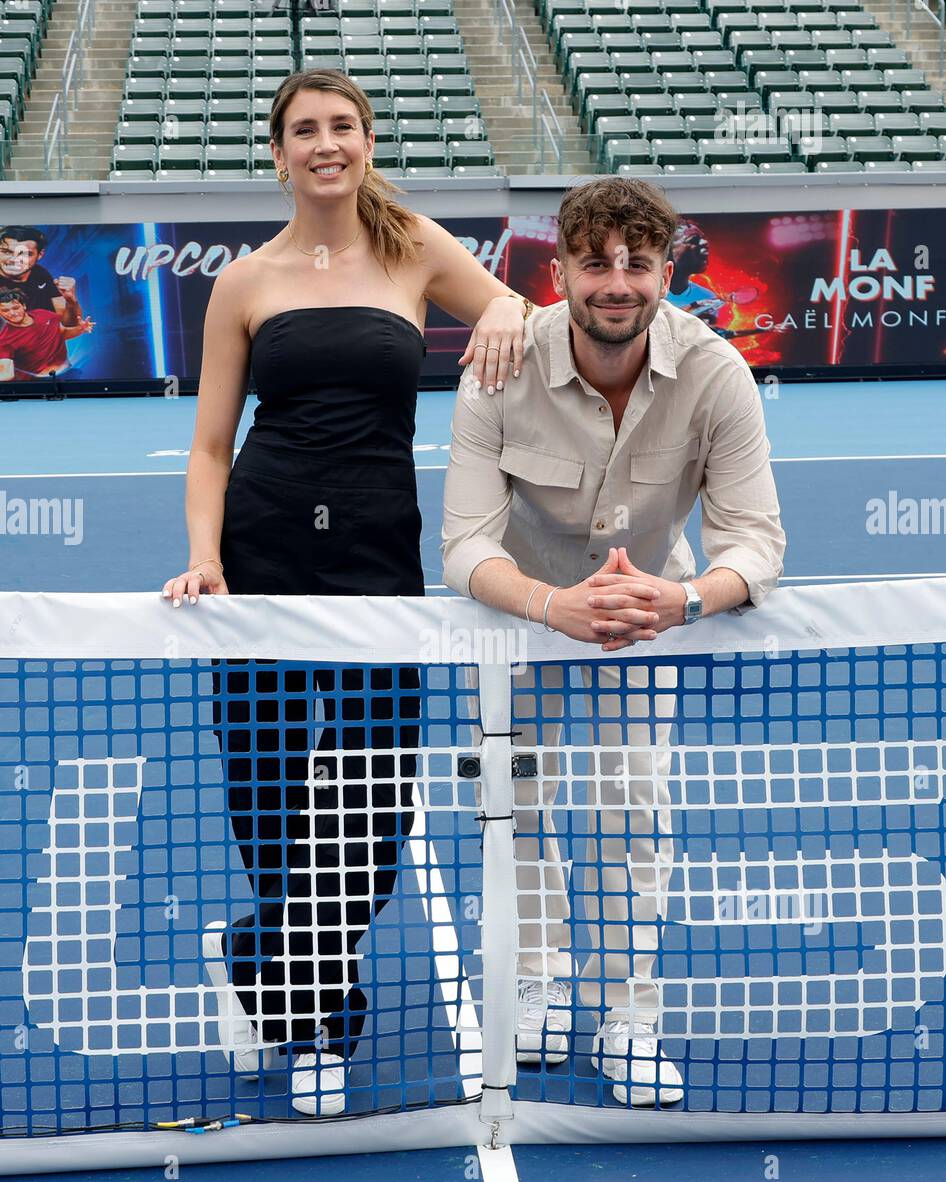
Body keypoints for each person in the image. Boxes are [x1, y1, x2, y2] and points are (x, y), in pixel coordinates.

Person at [161, 67, 534, 1116]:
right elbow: (207, 446)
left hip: (378, 559)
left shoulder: (413, 246)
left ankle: (255, 960)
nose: (325, 143)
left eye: (343, 126)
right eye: (304, 131)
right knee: (269, 798)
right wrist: (208, 558)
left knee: (369, 805)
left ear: (366, 142)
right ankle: (325, 1007)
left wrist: (502, 311)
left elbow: (509, 304)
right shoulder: (244, 283)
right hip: (263, 553)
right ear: (276, 155)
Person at [442, 177, 786, 1107]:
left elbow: (757, 539)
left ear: (665, 271)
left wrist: (683, 599)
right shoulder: (499, 368)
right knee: (514, 807)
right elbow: (465, 541)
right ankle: (539, 979)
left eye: (638, 263)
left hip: (645, 619)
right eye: (595, 262)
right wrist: (553, 606)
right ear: (560, 271)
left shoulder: (716, 374)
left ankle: (628, 1012)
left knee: (631, 811)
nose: (617, 283)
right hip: (520, 616)